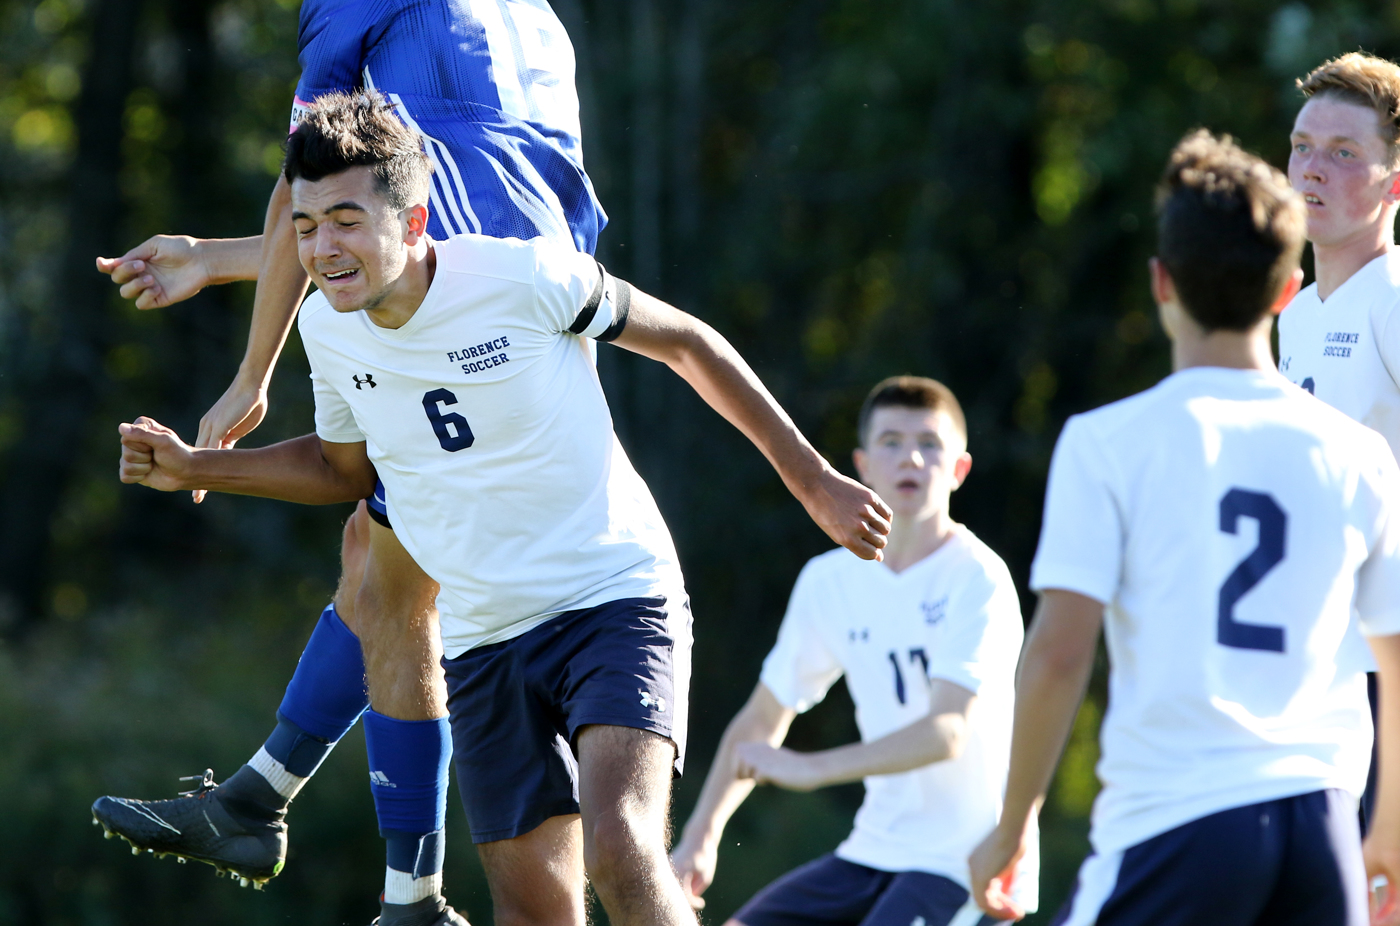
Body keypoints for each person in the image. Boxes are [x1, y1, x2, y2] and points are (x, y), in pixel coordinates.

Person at [115, 91, 893, 926]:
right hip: (484, 642)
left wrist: (812, 479)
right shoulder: (328, 333)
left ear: (413, 224)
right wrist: (200, 468)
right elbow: (342, 469)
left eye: (346, 220)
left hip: (614, 599)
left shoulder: (522, 277)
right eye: (304, 227)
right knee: (532, 913)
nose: (322, 248)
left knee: (622, 846)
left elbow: (687, 343)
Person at [90, 0, 607, 918]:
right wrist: (217, 262)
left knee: (393, 579)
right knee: (380, 572)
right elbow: (392, 204)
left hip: (445, 335)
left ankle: (402, 888)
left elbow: (302, 187)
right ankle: (271, 804)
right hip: (542, 322)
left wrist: (248, 374)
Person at [968, 130, 1400, 926]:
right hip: (1323, 825)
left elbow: (1060, 654)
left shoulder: (1107, 443)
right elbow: (1395, 654)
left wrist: (1015, 818)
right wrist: (1391, 827)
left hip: (1179, 822)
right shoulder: (1360, 455)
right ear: (1286, 293)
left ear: (1161, 283)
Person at [670, 375, 1036, 926]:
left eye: (930, 443)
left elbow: (947, 733)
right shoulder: (828, 581)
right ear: (862, 466)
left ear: (959, 469)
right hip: (872, 852)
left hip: (965, 864)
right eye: (891, 442)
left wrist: (808, 768)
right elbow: (762, 719)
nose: (910, 457)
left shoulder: (978, 578)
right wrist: (702, 834)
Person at [1279, 51, 1400, 830]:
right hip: (1320, 664)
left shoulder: (1392, 298)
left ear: (1396, 182)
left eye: (1344, 153)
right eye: (1300, 146)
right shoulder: (1294, 314)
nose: (1311, 171)